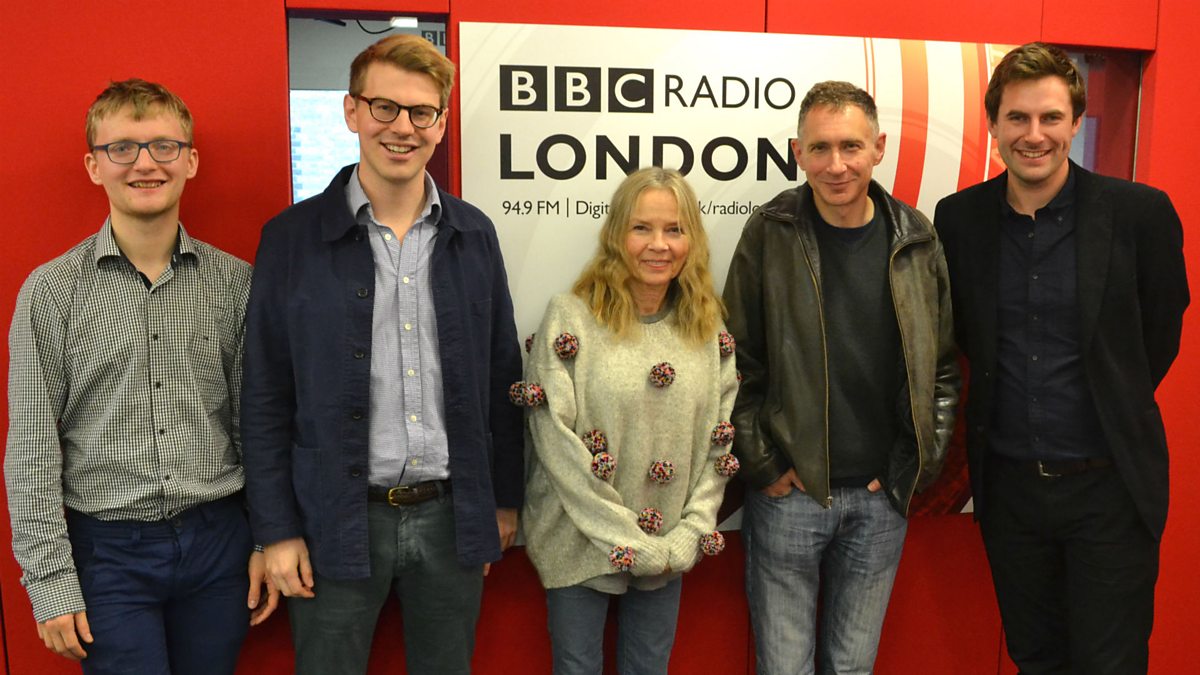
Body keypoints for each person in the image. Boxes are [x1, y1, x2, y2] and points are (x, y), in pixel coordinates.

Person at [241, 34, 524, 675]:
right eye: (384, 108)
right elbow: (263, 394)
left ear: (442, 123)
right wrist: (276, 530)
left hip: (453, 518)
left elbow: (503, 374)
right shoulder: (291, 239)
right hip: (333, 520)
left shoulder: (473, 234)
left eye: (422, 112)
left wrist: (500, 502)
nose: (403, 127)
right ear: (351, 112)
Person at [4, 78, 274, 674]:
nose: (144, 163)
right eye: (121, 148)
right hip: (106, 555)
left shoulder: (236, 285)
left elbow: (256, 425)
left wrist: (264, 540)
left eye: (163, 146)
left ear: (191, 160)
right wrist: (49, 581)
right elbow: (31, 449)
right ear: (93, 166)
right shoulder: (51, 293)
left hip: (218, 548)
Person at [934, 42, 1188, 674]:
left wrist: (1108, 393)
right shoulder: (959, 220)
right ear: (993, 123)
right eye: (1017, 118)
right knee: (1036, 658)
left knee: (1111, 663)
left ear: (1076, 122)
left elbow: (1157, 337)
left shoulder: (1140, 214)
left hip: (1110, 488)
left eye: (1050, 118)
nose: (1034, 135)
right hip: (1012, 491)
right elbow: (963, 336)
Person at [722, 80, 959, 674]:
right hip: (789, 497)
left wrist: (918, 464)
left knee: (853, 668)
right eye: (820, 148)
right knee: (783, 668)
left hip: (882, 499)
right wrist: (766, 466)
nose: (836, 165)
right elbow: (733, 357)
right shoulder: (769, 232)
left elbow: (944, 367)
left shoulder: (918, 237)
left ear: (878, 147)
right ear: (797, 152)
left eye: (850, 146)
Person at [519, 167, 739, 674]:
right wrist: (624, 542)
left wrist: (690, 533)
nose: (658, 245)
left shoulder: (706, 329)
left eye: (674, 230)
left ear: (692, 241)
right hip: (576, 540)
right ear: (617, 234)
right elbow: (554, 443)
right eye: (642, 228)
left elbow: (720, 443)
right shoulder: (570, 318)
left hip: (666, 549)